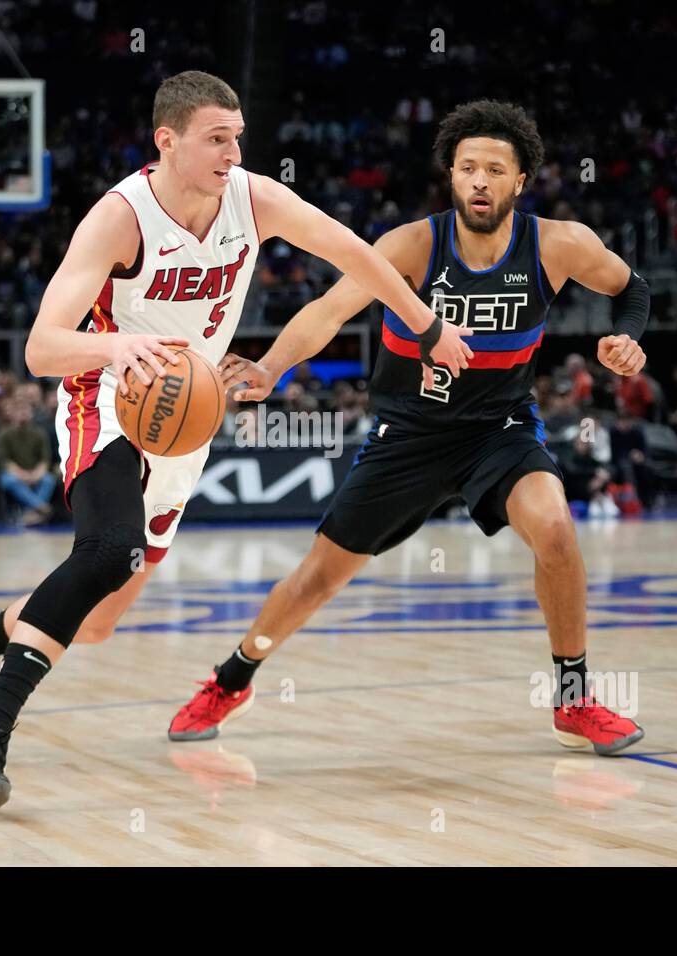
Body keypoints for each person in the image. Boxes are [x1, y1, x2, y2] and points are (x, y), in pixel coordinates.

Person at [0, 71, 472, 809]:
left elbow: (357, 254)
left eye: (237, 137)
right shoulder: (120, 218)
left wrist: (425, 326)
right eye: (216, 138)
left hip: (184, 418)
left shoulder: (254, 198)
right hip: (105, 397)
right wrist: (115, 352)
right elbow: (42, 349)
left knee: (96, 621)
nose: (233, 151)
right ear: (167, 140)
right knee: (102, 554)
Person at [166, 100, 650, 756]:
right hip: (410, 434)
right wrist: (273, 366)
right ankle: (233, 677)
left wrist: (627, 337)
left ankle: (573, 701)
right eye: (467, 167)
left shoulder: (562, 245)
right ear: (451, 175)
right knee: (318, 579)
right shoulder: (414, 246)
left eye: (494, 169)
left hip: (498, 429)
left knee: (558, 532)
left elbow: (632, 288)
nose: (479, 180)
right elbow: (330, 309)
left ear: (520, 182)